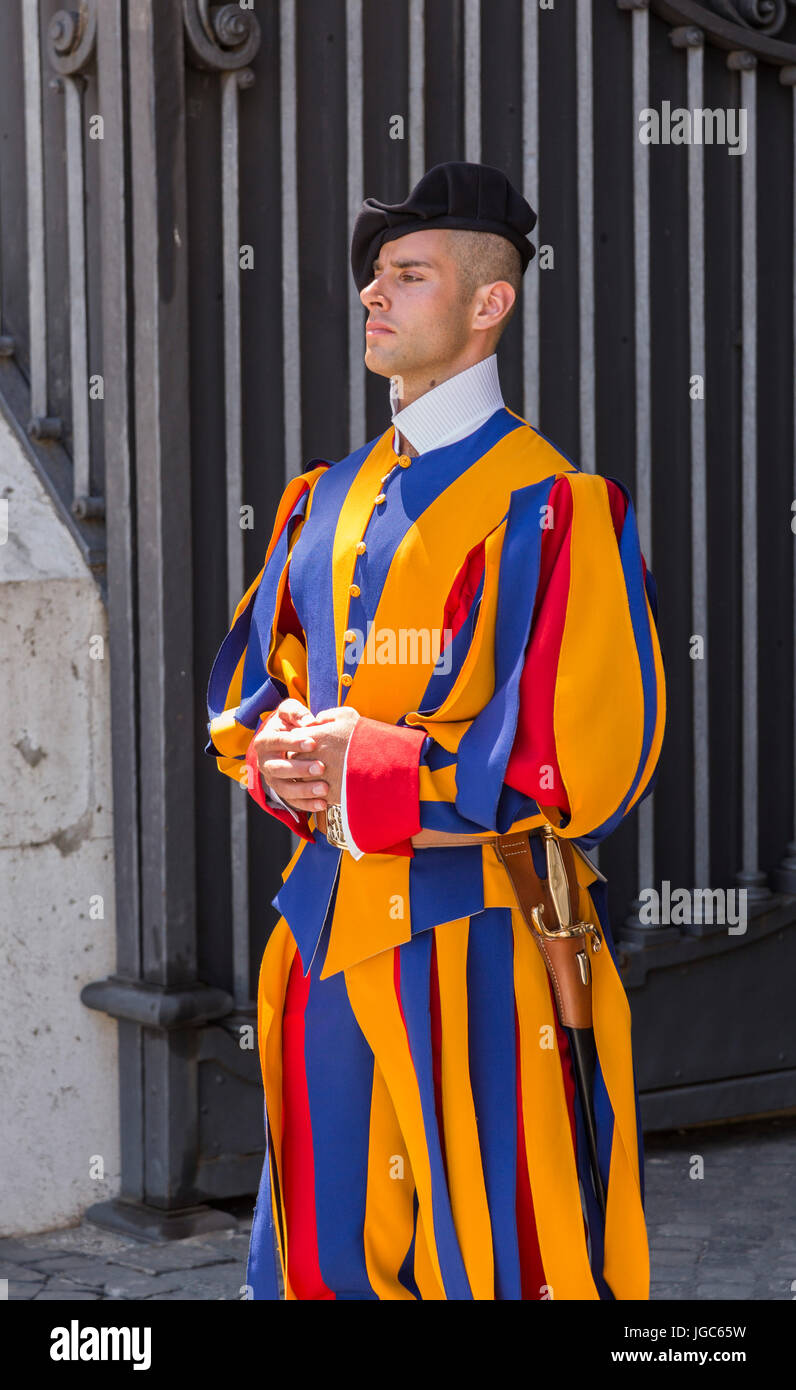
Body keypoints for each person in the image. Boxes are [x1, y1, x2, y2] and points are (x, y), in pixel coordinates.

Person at [205, 161, 666, 1301]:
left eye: (409, 275)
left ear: (487, 302)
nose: (375, 294)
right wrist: (272, 748)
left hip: (480, 936)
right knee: (315, 1258)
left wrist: (356, 760)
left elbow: (585, 758)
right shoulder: (325, 493)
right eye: (373, 277)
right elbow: (254, 685)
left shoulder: (557, 504)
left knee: (501, 1256)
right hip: (319, 929)